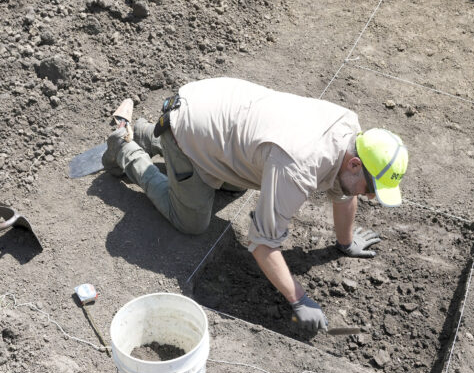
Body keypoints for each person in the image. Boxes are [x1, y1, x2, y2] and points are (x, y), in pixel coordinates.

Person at [102, 77, 408, 333]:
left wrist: (346, 242)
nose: (370, 197)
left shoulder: (350, 133)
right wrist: (298, 299)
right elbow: (261, 245)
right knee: (192, 222)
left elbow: (346, 192)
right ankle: (124, 146)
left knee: (238, 184)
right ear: (355, 164)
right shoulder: (299, 166)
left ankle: (147, 130)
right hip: (190, 124)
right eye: (371, 188)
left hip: (216, 111)